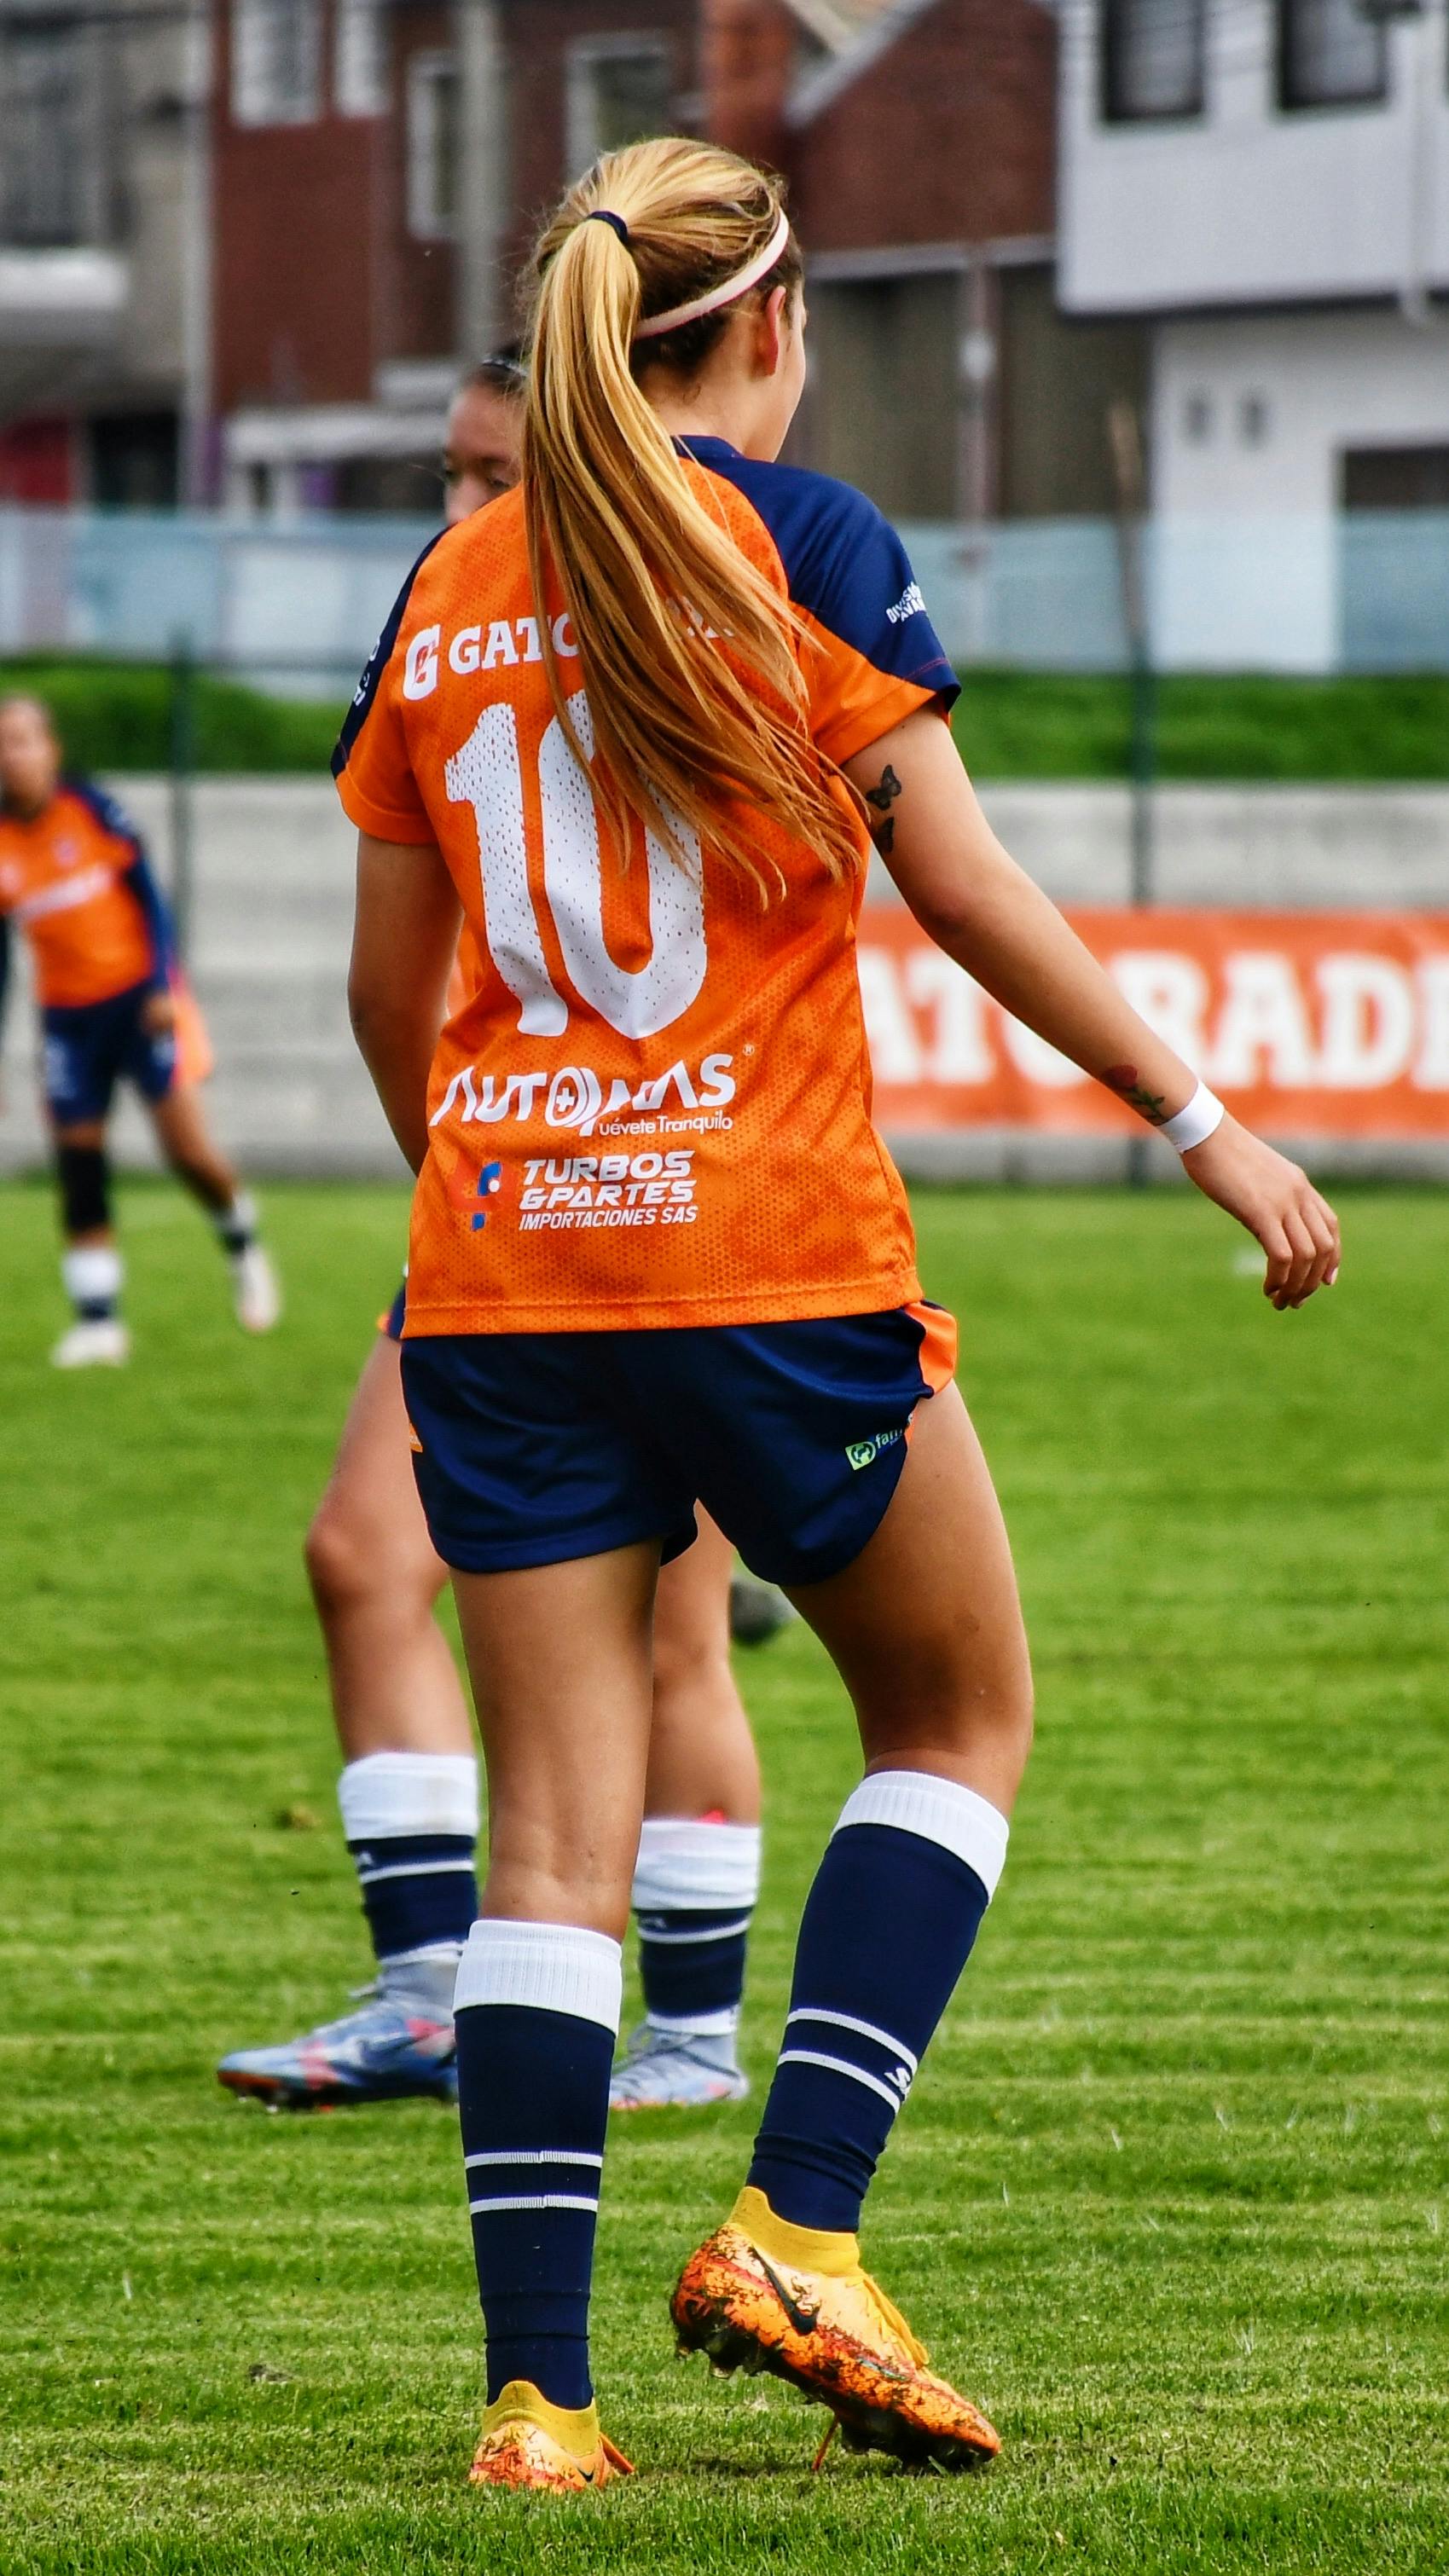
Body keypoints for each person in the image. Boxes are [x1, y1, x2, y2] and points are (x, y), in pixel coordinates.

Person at [339, 138, 1341, 2494]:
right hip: (773, 1259)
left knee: (548, 1848)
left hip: (508, 1272)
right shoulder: (798, 547)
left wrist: (504, 1203)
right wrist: (1203, 1117)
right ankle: (796, 2217)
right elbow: (962, 881)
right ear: (772, 325)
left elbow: (393, 990)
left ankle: (535, 2406)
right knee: (959, 1708)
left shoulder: (452, 576)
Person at [217, 356, 770, 2117]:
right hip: (504, 1195)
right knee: (363, 1554)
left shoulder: (689, 607)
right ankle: (431, 1993)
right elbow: (397, 968)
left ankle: (685, 2037)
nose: (461, 517)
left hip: (670, 1199)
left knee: (675, 1631)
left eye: (493, 476)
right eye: (448, 478)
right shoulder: (453, 633)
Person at [0, 696, 279, 1366]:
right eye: (4, 744)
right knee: (78, 1162)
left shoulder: (90, 810)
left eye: (25, 739)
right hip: (68, 1020)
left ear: (51, 750)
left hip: (139, 1003)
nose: (15, 755)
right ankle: (100, 1322)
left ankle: (241, 1239)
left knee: (186, 1153)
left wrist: (162, 983)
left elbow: (150, 898)